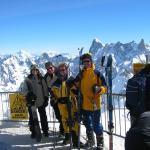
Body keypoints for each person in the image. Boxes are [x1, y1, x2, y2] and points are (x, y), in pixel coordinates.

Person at [73, 53, 107, 150]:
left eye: (88, 61)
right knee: (88, 124)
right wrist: (71, 83)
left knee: (96, 124)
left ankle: (100, 143)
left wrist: (100, 89)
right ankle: (91, 141)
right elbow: (75, 85)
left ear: (91, 61)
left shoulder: (97, 73)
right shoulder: (81, 74)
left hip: (95, 105)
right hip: (84, 105)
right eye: (84, 62)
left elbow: (105, 87)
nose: (86, 63)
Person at [50, 63, 84, 147]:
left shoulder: (70, 80)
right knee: (64, 121)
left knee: (73, 121)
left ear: (67, 70)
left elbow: (76, 91)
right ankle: (67, 137)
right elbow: (53, 93)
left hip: (71, 103)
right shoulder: (56, 82)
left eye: (64, 69)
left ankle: (76, 141)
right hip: (61, 104)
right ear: (58, 71)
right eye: (61, 70)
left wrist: (75, 91)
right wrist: (53, 100)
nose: (63, 71)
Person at [125, 64, 150, 150]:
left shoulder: (133, 80)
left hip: (136, 115)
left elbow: (129, 102)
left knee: (137, 138)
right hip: (147, 116)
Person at [21, 64, 49, 138]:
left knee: (43, 117)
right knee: (32, 118)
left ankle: (45, 130)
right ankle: (33, 131)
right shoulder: (27, 79)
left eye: (36, 69)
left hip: (41, 101)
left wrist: (46, 98)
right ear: (31, 70)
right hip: (31, 102)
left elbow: (45, 89)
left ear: (38, 70)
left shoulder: (41, 78)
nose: (35, 71)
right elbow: (24, 90)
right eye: (33, 70)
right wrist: (28, 94)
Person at [44, 61, 64, 137]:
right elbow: (47, 88)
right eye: (47, 69)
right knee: (59, 116)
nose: (49, 70)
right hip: (54, 99)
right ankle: (62, 131)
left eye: (50, 68)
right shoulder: (46, 77)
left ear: (53, 66)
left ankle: (64, 131)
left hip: (63, 97)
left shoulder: (59, 72)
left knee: (64, 115)